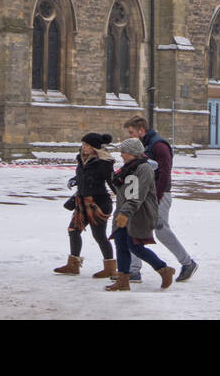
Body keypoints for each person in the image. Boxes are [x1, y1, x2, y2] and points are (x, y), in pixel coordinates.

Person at [123, 115, 197, 282]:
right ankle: (134, 270)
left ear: (141, 130)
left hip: (159, 195)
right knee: (133, 227)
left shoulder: (159, 145)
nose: (129, 136)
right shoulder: (144, 146)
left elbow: (164, 173)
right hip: (145, 194)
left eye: (131, 132)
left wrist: (156, 197)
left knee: (161, 230)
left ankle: (188, 263)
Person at [106, 137, 173, 292]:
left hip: (138, 214)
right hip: (124, 212)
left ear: (133, 153)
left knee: (135, 246)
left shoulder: (143, 169)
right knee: (121, 244)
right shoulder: (127, 168)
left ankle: (164, 269)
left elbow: (137, 195)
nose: (121, 155)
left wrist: (125, 212)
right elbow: (123, 191)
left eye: (124, 152)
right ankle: (123, 281)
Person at [53, 131, 117, 278]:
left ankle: (110, 267)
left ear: (94, 147)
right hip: (82, 202)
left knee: (99, 235)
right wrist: (76, 179)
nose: (83, 147)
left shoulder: (104, 162)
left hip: (98, 203)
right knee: (73, 230)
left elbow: (111, 182)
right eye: (83, 144)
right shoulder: (82, 159)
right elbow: (85, 174)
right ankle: (73, 265)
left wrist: (124, 197)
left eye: (87, 145)